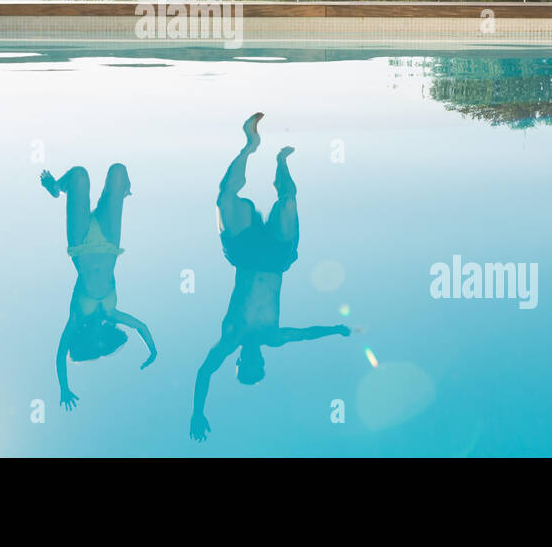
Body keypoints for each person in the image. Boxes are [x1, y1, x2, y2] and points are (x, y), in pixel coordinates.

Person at [190, 113, 349, 441]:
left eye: (245, 367)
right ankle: (281, 161)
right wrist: (335, 329)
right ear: (261, 363)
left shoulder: (232, 338)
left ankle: (250, 146)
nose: (251, 361)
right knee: (288, 201)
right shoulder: (273, 337)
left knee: (223, 200)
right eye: (255, 367)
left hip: (245, 257)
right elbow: (305, 334)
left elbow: (205, 371)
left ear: (238, 362)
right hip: (277, 259)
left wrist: (197, 411)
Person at [41, 163, 156, 410]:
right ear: (105, 336)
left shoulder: (76, 317)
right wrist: (153, 351)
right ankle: (121, 191)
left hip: (81, 243)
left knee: (79, 175)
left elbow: (61, 354)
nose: (98, 338)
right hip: (109, 241)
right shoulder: (112, 314)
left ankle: (57, 188)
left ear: (84, 341)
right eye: (102, 342)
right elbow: (141, 327)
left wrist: (64, 387)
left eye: (94, 344)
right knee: (118, 172)